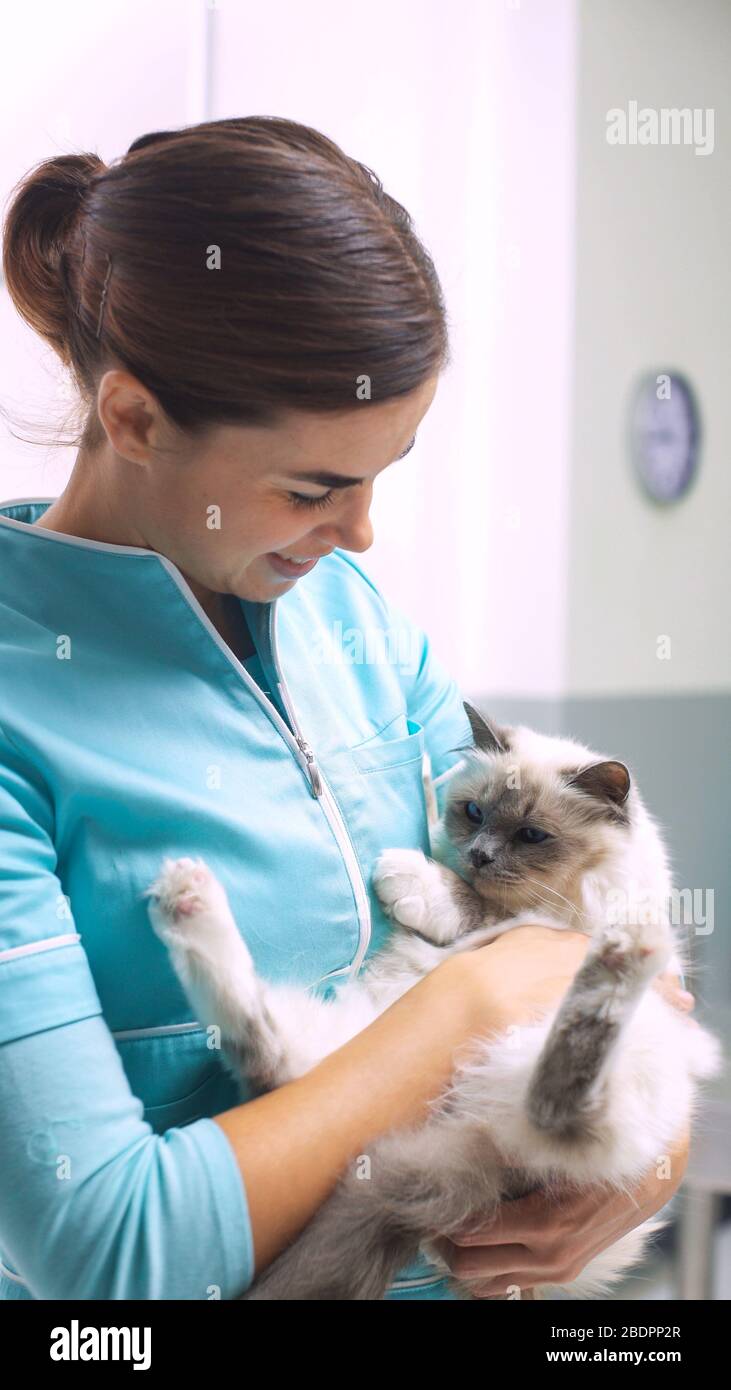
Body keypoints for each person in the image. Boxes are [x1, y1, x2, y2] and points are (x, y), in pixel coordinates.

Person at [0, 117, 694, 1303]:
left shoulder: (350, 619)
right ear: (134, 420)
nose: (361, 533)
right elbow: (107, 1250)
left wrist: (637, 1174)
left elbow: (615, 972)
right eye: (311, 487)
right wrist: (460, 1008)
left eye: (382, 473)